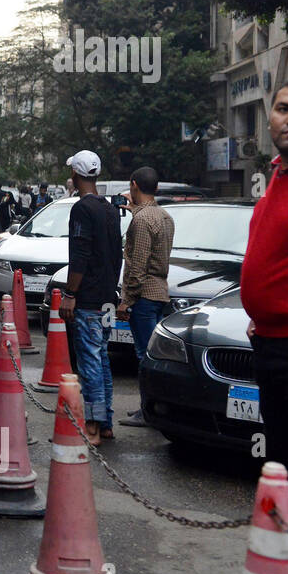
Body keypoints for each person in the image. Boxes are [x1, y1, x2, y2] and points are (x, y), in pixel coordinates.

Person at [217, 77, 288, 574]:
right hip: (273, 343)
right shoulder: (278, 174)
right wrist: (264, 311)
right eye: (282, 108)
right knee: (279, 474)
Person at [58, 150, 122, 446]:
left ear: (76, 176)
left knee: (90, 362)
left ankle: (93, 425)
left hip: (90, 301)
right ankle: (106, 421)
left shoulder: (82, 210)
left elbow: (80, 256)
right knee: (103, 358)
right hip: (108, 298)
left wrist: (70, 294)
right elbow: (117, 255)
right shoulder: (110, 209)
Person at [118, 166, 175, 427]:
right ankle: (154, 408)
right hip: (160, 292)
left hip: (144, 296)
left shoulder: (141, 221)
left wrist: (126, 299)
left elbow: (137, 266)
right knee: (153, 354)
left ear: (133, 185)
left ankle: (149, 410)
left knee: (144, 355)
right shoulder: (164, 216)